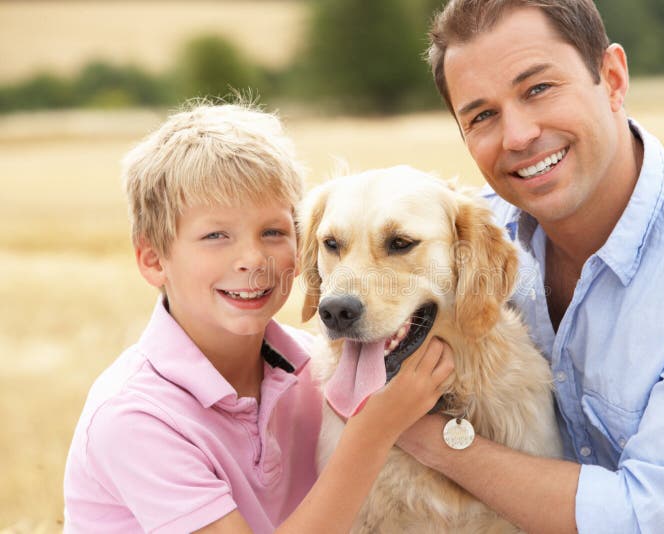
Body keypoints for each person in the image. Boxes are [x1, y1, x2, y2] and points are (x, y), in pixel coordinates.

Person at [395, 1, 664, 532]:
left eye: (538, 89)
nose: (517, 135)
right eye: (482, 115)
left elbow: (648, 520)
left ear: (611, 78)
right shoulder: (467, 245)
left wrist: (429, 439)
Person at [62, 101, 454, 533]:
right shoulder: (135, 416)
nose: (252, 259)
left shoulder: (318, 370)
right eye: (215, 236)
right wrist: (373, 433)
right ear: (154, 260)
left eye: (273, 232)